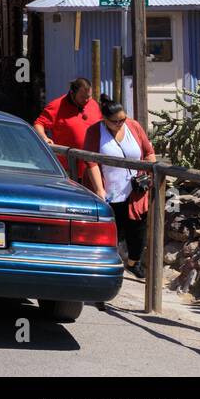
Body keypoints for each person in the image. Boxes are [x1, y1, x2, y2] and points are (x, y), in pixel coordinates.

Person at [81, 95, 156, 277]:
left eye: (123, 119)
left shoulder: (133, 126)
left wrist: (148, 174)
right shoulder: (95, 131)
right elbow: (90, 161)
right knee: (112, 232)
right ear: (105, 120)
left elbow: (148, 152)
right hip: (109, 190)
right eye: (115, 121)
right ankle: (105, 269)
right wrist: (99, 189)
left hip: (134, 190)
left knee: (137, 231)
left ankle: (132, 263)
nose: (121, 123)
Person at [33, 77, 101, 177]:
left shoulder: (93, 104)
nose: (86, 100)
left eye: (89, 96)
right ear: (72, 93)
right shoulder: (57, 106)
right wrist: (44, 138)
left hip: (93, 168)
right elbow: (39, 124)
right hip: (68, 168)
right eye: (82, 97)